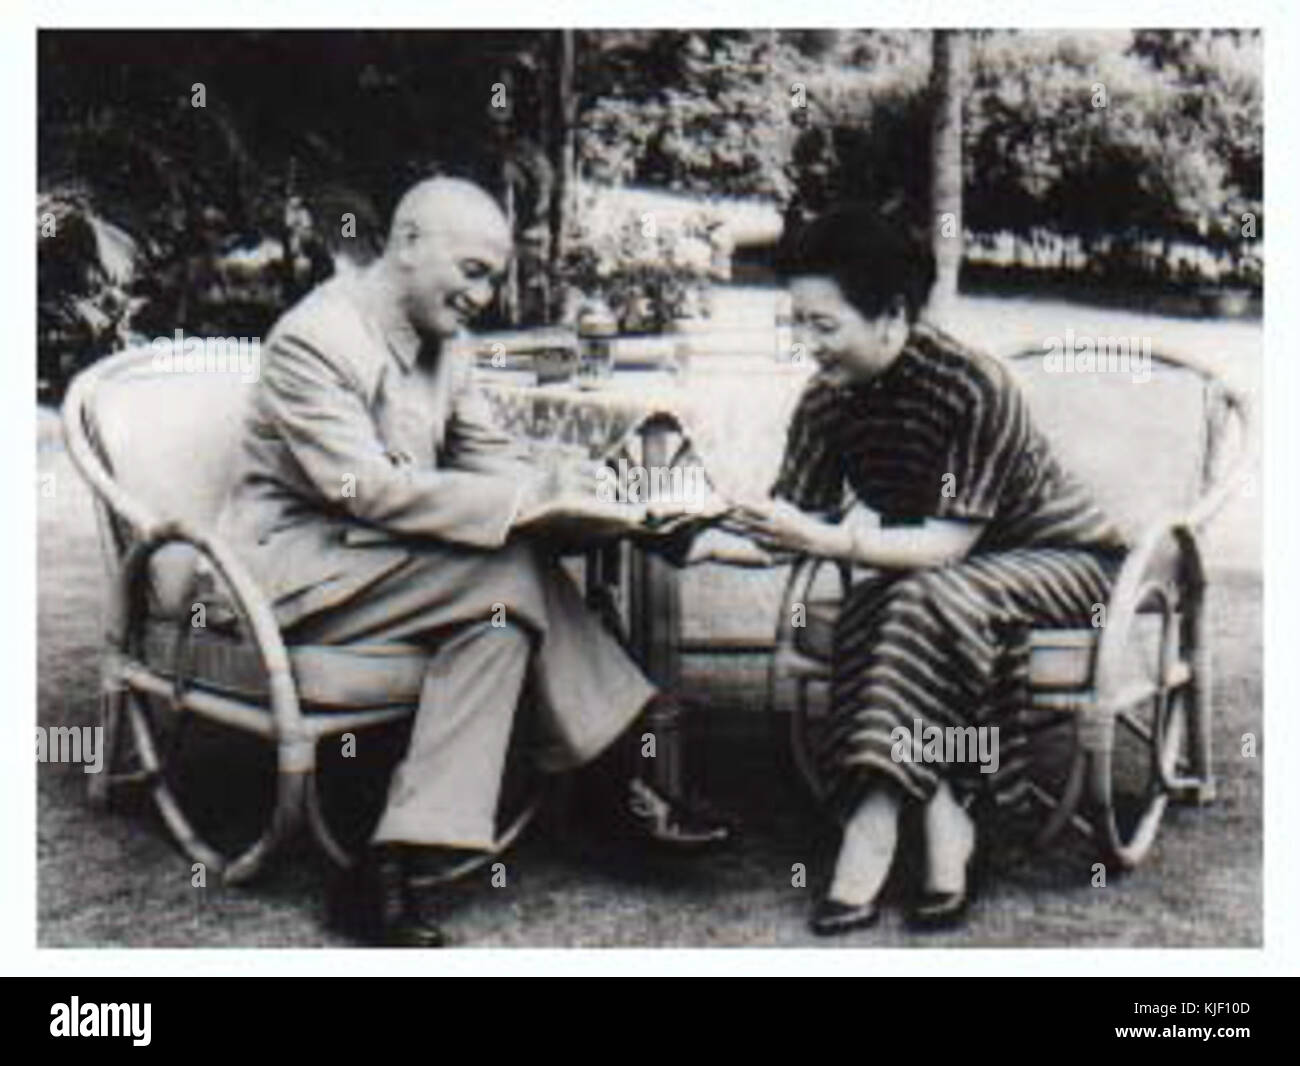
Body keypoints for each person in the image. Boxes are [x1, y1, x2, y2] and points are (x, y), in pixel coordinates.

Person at [212, 176, 731, 947]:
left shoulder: (446, 344)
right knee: (507, 569)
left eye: (493, 276)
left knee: (498, 620)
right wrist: (523, 507)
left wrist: (580, 492)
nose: (484, 296)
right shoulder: (315, 338)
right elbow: (367, 490)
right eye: (475, 271)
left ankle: (392, 858)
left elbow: (489, 458)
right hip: (292, 570)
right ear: (408, 244)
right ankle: (610, 782)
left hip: (393, 570)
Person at [704, 205, 1127, 934]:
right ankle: (942, 811)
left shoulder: (971, 385)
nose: (807, 346)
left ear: (891, 315)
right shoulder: (828, 400)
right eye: (796, 324)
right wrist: (697, 532)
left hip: (1063, 562)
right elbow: (792, 526)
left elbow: (943, 548)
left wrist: (826, 540)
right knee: (895, 603)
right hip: (942, 585)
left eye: (822, 326)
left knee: (909, 596)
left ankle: (870, 827)